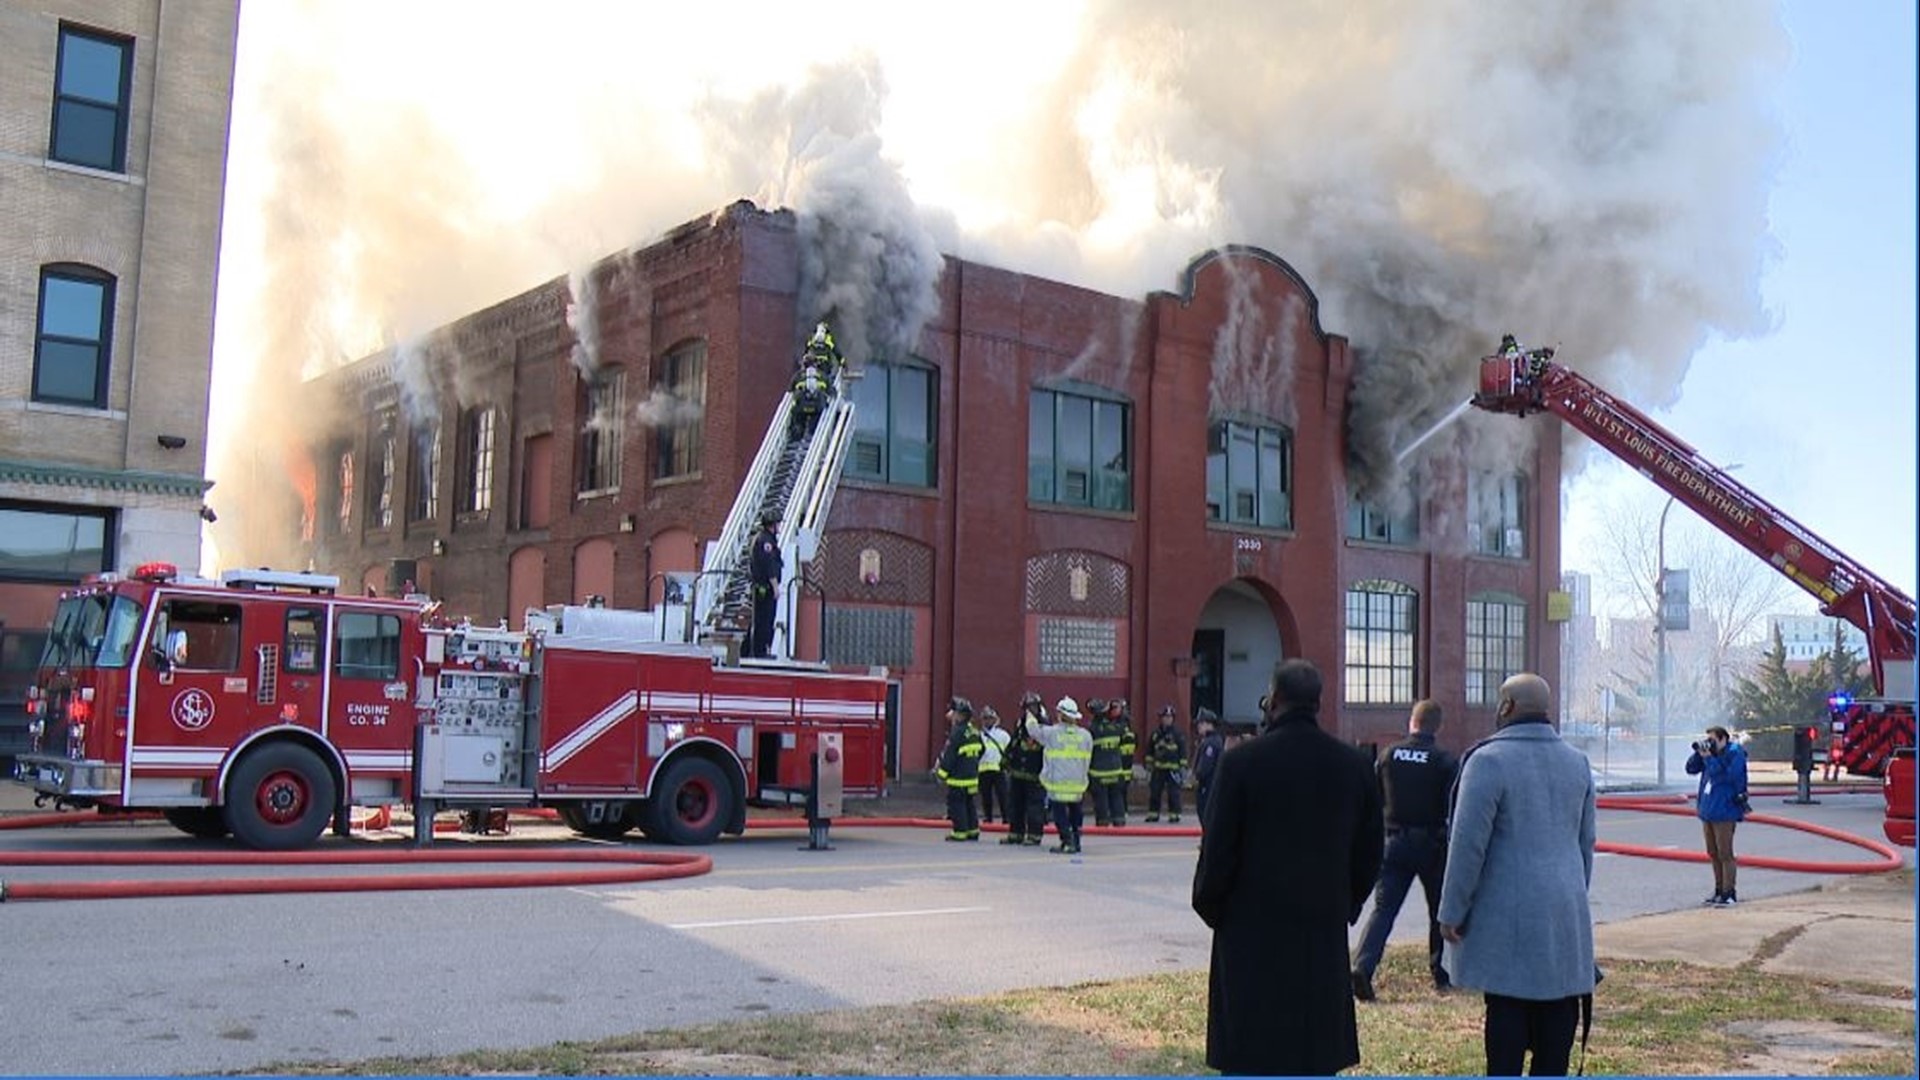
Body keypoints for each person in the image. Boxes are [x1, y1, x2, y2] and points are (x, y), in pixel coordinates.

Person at [1192, 659, 1383, 1077]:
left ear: (1273, 700)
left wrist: (1217, 911)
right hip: (1320, 935)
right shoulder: (1353, 765)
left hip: (1249, 937)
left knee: (1250, 1055)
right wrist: (1344, 904)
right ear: (1318, 703)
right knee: (1313, 1055)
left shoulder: (1241, 763)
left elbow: (1217, 852)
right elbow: (1370, 853)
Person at [1439, 673, 1597, 1077]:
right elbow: (1586, 843)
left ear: (1507, 706)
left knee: (1507, 1015)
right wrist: (1573, 895)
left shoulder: (1488, 761)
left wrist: (1452, 911)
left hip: (1507, 917)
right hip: (1565, 912)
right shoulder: (1576, 761)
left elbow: (1467, 845)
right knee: (1557, 1022)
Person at [1350, 699, 1459, 1002]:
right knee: (1438, 910)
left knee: (1384, 910)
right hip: (1432, 844)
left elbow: (1374, 798)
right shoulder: (1444, 761)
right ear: (1438, 727)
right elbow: (1454, 805)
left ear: (1412, 722)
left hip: (1394, 841)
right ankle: (1441, 975)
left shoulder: (1389, 755)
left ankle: (1363, 967)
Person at [1686, 724, 1749, 906]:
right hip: (1709, 810)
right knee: (1713, 853)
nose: (1710, 744)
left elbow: (1725, 777)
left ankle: (1729, 893)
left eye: (1713, 740)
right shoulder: (1710, 756)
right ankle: (1719, 890)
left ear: (1723, 739)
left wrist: (1709, 758)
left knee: (1725, 853)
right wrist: (1699, 753)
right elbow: (1690, 769)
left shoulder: (1734, 754)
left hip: (1725, 810)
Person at [1026, 696, 1093, 854]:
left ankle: (1067, 842)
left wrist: (1030, 715)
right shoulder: (1086, 736)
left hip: (1058, 784)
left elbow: (1033, 730)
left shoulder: (1052, 733)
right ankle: (1076, 842)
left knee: (1060, 815)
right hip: (1078, 784)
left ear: (1061, 714)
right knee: (1076, 813)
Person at [1001, 692, 1049, 846]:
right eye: (1028, 707)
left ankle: (1034, 835)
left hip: (1035, 774)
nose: (1030, 710)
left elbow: (1047, 749)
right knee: (1015, 804)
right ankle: (1016, 834)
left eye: (1033, 706)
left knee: (1034, 806)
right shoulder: (1021, 724)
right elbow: (1014, 742)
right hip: (1017, 773)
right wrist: (1006, 758)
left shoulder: (1044, 726)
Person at [934, 697, 984, 841]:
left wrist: (941, 774)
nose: (951, 715)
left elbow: (949, 756)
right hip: (972, 777)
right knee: (969, 803)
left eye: (954, 712)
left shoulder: (957, 733)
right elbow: (982, 749)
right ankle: (973, 830)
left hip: (958, 778)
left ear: (961, 715)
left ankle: (960, 832)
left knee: (957, 804)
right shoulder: (974, 731)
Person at [746, 513, 782, 659]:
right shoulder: (766, 542)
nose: (780, 526)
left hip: (760, 587)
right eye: (778, 523)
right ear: (772, 525)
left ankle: (748, 650)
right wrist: (775, 587)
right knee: (764, 621)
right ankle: (760, 652)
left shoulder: (760, 539)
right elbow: (769, 566)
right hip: (765, 589)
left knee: (758, 620)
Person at [1087, 697, 1128, 827]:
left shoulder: (1092, 729)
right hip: (1116, 771)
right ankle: (1119, 822)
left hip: (1098, 773)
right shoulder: (1116, 727)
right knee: (1117, 798)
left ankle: (1103, 824)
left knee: (1101, 801)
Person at [1144, 704, 1187, 823]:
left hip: (1173, 769)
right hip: (1158, 769)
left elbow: (1183, 751)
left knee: (1174, 793)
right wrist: (1148, 765)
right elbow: (1150, 750)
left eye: (1170, 717)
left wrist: (1183, 767)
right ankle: (1153, 814)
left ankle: (1174, 814)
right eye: (1165, 717)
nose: (1167, 719)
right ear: (1161, 718)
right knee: (1155, 792)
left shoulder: (1178, 734)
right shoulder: (1156, 734)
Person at [1190, 707, 1224, 828]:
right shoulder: (1212, 741)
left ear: (1210, 724)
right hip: (1210, 786)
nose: (1198, 726)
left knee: (1206, 816)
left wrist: (1196, 777)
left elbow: (1205, 766)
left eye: (1201, 723)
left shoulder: (1211, 743)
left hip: (1207, 786)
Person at [976, 706, 1010, 825]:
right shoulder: (978, 735)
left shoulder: (1003, 735)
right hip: (983, 770)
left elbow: (1009, 751)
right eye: (985, 719)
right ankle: (988, 817)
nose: (987, 721)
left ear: (995, 720)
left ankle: (1006, 817)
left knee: (1003, 795)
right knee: (986, 796)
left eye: (990, 718)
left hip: (999, 769)